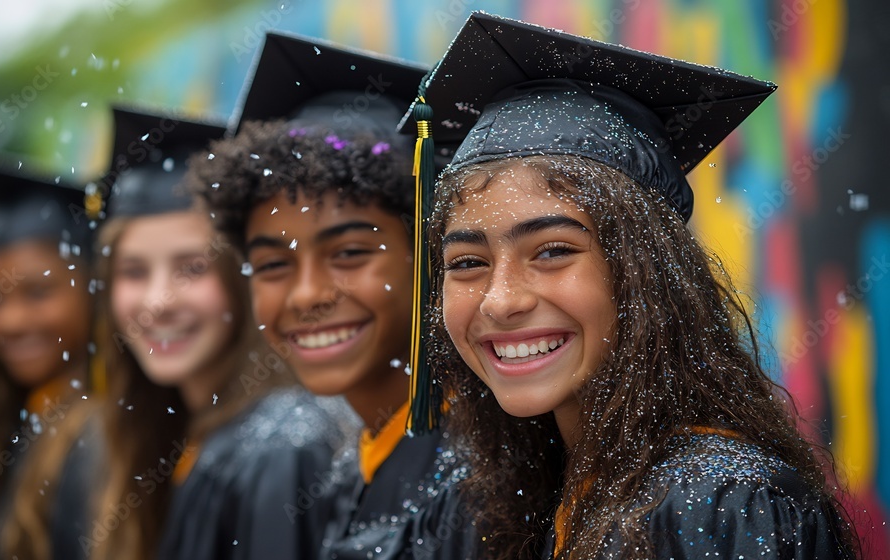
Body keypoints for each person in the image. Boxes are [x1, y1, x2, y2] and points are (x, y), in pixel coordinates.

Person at [405, 12, 858, 560]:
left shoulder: (719, 504)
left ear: (647, 273)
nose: (502, 300)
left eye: (552, 251)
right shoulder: (521, 496)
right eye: (467, 262)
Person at [187, 31, 475, 559]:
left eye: (349, 254)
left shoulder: (476, 488)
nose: (307, 294)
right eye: (273, 264)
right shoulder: (353, 466)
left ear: (429, 253)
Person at [84, 105, 351, 560]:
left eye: (192, 268)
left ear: (243, 275)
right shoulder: (170, 437)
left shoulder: (282, 446)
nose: (158, 302)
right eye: (133, 272)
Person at [0, 162, 100, 560]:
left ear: (91, 287)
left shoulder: (100, 443)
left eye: (38, 292)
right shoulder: (15, 417)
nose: (12, 321)